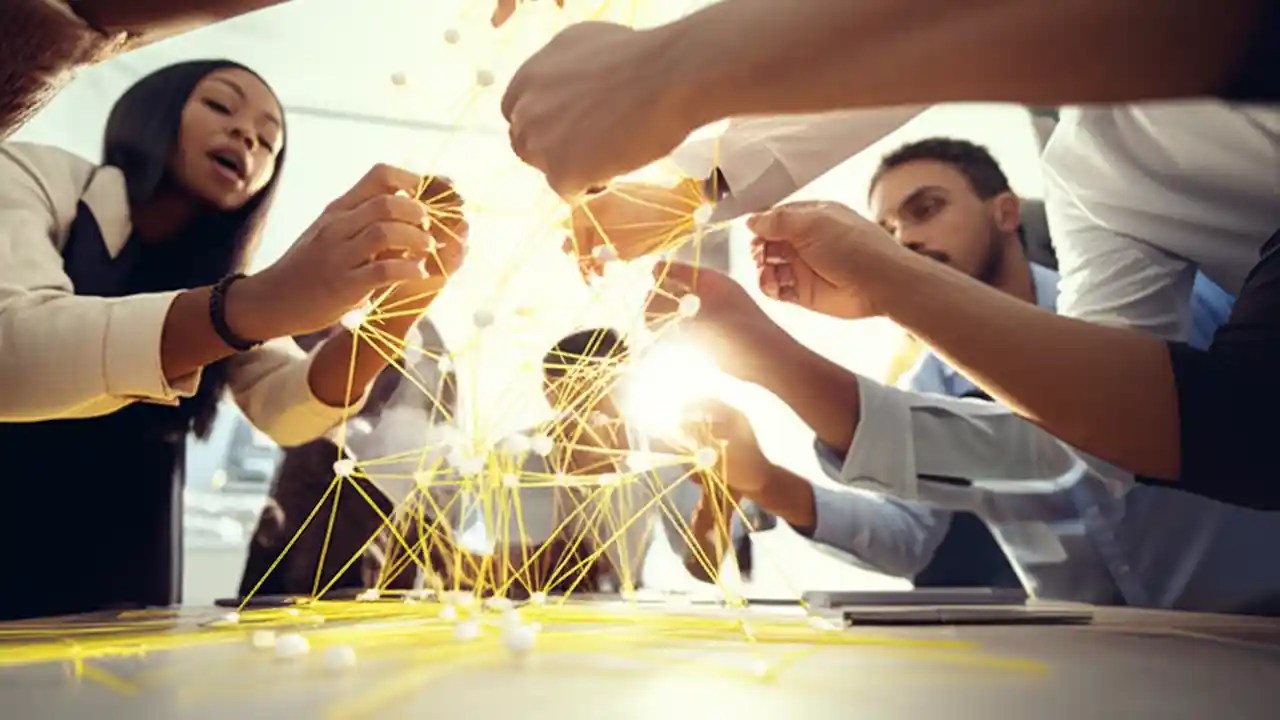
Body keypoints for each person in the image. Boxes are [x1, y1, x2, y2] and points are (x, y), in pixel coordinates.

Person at [0, 60, 465, 620]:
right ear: (152, 108)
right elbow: (12, 346)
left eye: (269, 141)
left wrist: (397, 311)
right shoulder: (31, 173)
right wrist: (260, 302)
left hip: (129, 553)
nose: (247, 136)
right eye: (221, 106)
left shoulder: (222, 280)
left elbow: (288, 408)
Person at [363, 328, 749, 598]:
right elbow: (429, 528)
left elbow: (702, 568)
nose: (591, 413)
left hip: (617, 626)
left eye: (602, 393)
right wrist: (501, 568)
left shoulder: (660, 458)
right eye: (574, 395)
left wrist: (722, 496)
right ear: (551, 394)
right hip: (511, 619)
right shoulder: (509, 454)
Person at [236, 317, 458, 601]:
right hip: (305, 514)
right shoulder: (307, 310)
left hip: (365, 522)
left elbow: (426, 456)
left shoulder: (418, 338)